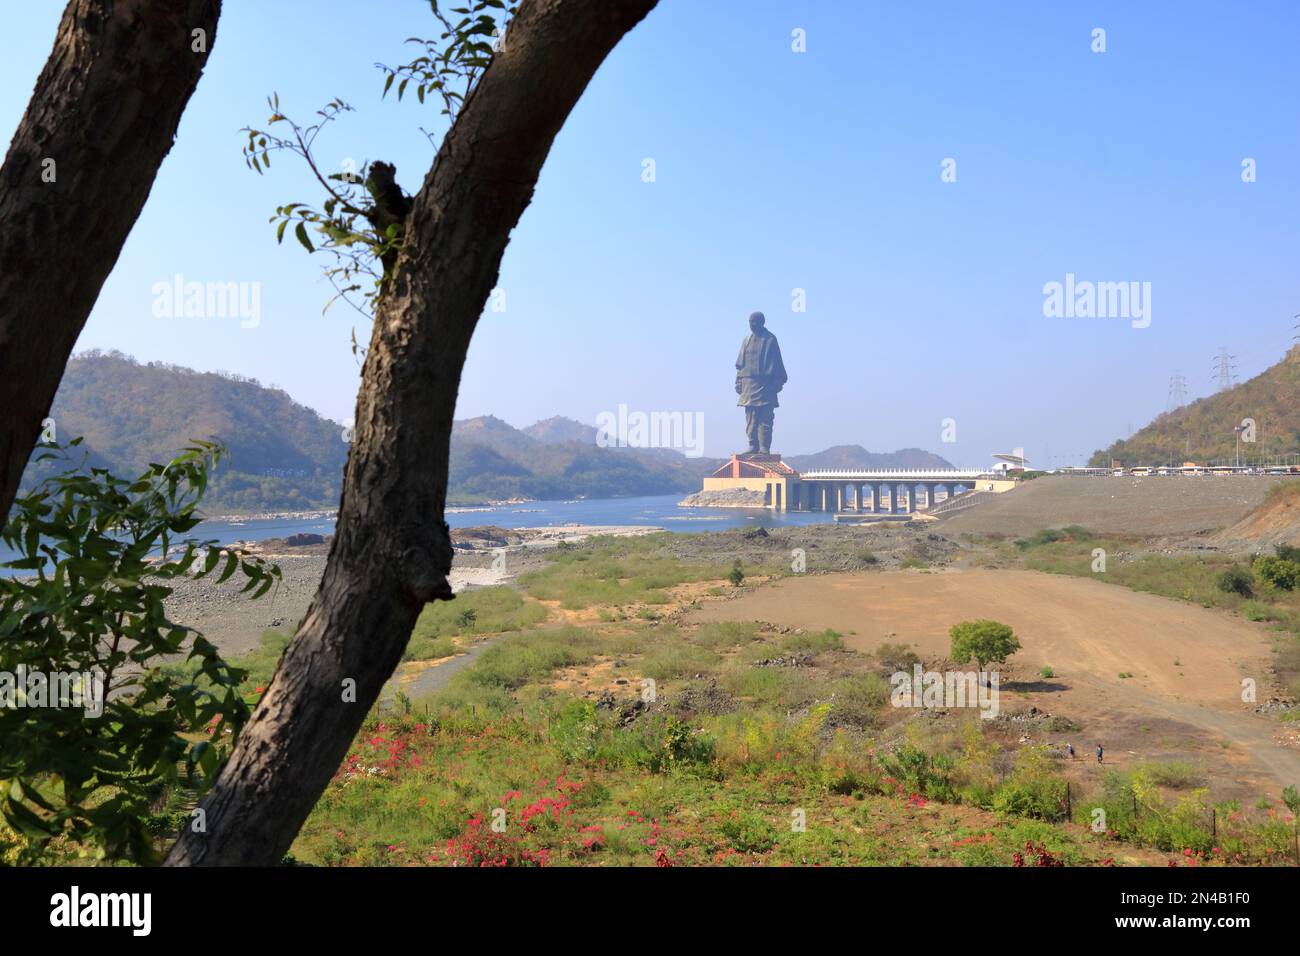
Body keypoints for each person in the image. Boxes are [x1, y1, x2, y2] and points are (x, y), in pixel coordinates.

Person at [734, 312, 787, 455]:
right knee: (751, 417)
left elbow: (777, 364)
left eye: (754, 322)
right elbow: (740, 365)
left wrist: (777, 382)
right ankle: (753, 444)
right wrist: (738, 380)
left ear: (762, 322)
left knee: (765, 417)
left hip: (765, 384)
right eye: (750, 322)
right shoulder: (746, 340)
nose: (752, 325)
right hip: (748, 384)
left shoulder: (770, 339)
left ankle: (764, 446)